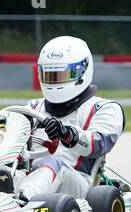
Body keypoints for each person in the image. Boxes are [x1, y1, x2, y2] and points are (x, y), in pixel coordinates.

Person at [17, 35, 125, 198]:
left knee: (52, 163)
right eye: (50, 76)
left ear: (82, 70)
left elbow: (99, 143)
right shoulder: (32, 107)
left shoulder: (104, 108)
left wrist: (67, 134)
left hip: (78, 187)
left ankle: (21, 203)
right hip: (30, 179)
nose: (54, 82)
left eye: (61, 75)